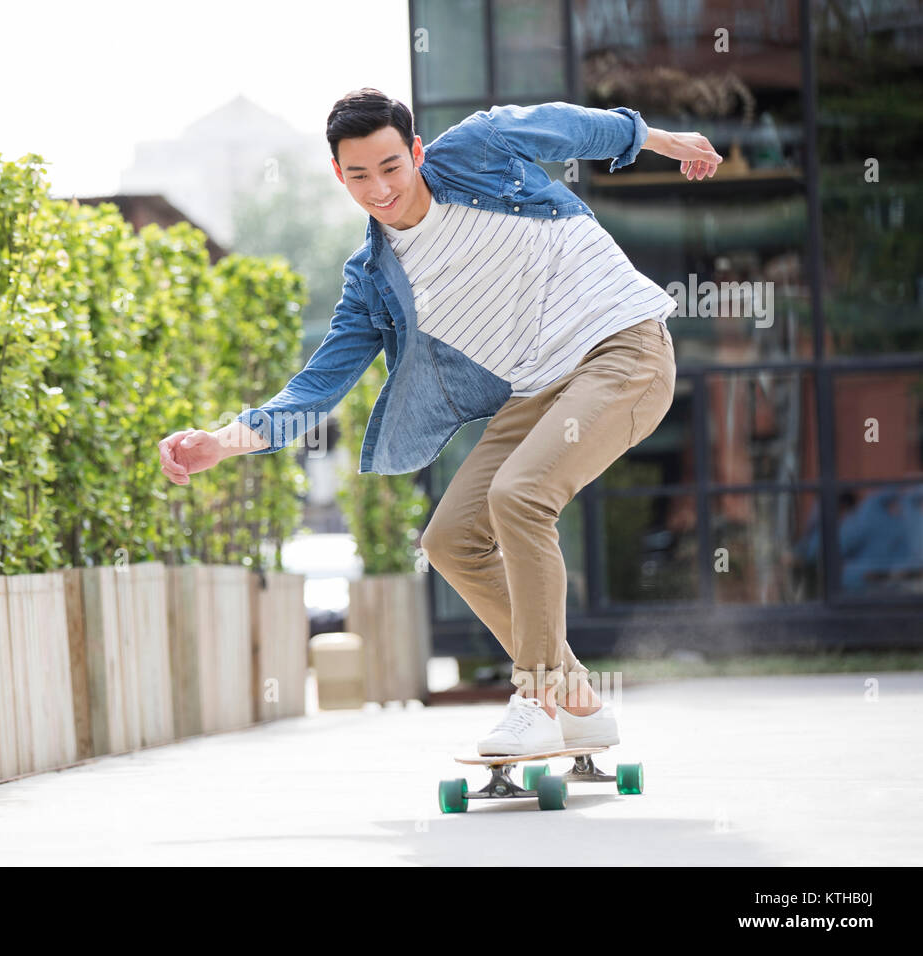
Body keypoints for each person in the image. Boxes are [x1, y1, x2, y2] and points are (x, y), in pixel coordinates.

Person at [158, 88, 720, 756]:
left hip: (623, 348)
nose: (380, 189)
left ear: (416, 152)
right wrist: (222, 441)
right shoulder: (373, 279)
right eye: (359, 175)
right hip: (538, 389)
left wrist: (661, 140)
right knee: (452, 539)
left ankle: (536, 696)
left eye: (391, 167)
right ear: (339, 174)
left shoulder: (479, 149)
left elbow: (569, 128)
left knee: (520, 497)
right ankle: (578, 699)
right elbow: (316, 388)